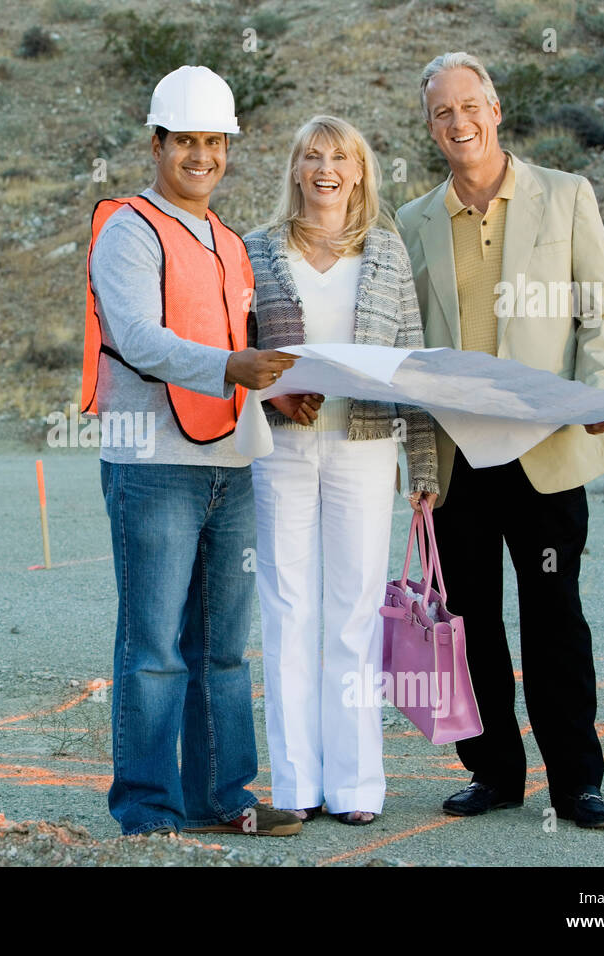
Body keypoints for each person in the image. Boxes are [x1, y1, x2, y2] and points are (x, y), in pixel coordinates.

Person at [395, 52, 604, 829]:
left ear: (495, 110)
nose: (458, 122)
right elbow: (412, 347)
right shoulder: (413, 221)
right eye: (441, 113)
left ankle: (578, 782)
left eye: (470, 106)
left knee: (555, 615)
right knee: (472, 622)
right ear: (430, 128)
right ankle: (495, 772)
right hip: (460, 461)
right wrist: (420, 461)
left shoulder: (566, 196)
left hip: (546, 450)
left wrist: (598, 388)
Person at [82, 65, 303, 837]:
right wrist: (229, 369)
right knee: (154, 649)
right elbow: (140, 339)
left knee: (223, 651)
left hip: (231, 463)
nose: (201, 155)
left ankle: (222, 798)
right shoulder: (127, 232)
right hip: (153, 467)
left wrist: (272, 389)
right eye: (186, 141)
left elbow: (234, 343)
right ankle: (146, 812)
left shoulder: (229, 243)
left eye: (214, 141)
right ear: (157, 143)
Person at [243, 115, 439, 826]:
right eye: (312, 156)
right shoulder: (256, 250)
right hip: (282, 449)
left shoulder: (386, 254)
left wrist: (422, 465)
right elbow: (235, 350)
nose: (326, 168)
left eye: (341, 158)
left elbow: (411, 365)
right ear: (296, 170)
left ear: (359, 173)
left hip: (365, 449)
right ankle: (295, 787)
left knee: (355, 614)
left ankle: (356, 788)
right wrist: (271, 396)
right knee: (288, 610)